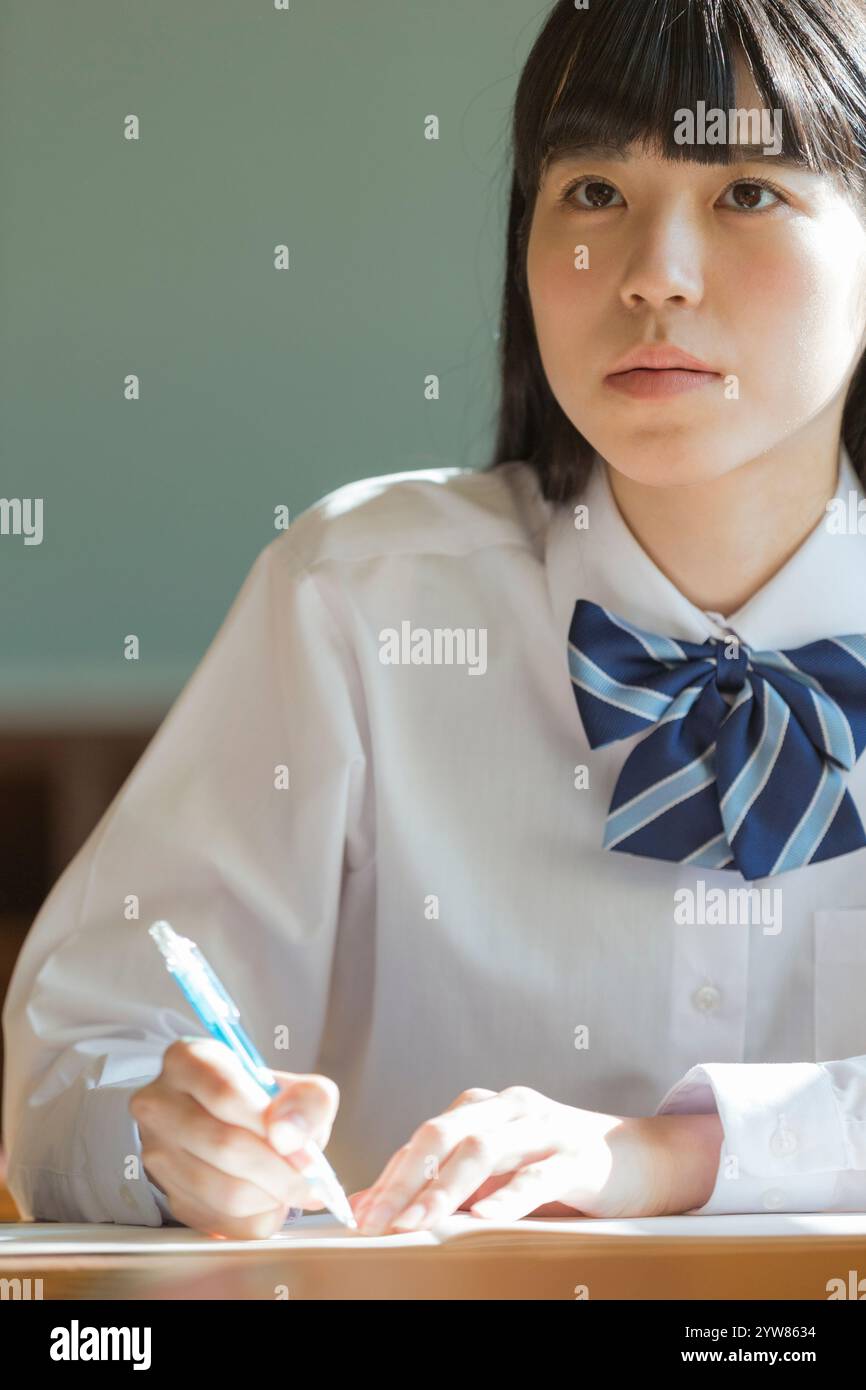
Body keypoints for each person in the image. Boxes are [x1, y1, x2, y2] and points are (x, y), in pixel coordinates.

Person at [4, 0, 866, 1239]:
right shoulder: (360, 595)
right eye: (588, 191)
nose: (648, 274)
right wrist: (162, 1137)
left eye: (744, 193)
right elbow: (75, 1057)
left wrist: (668, 1156)